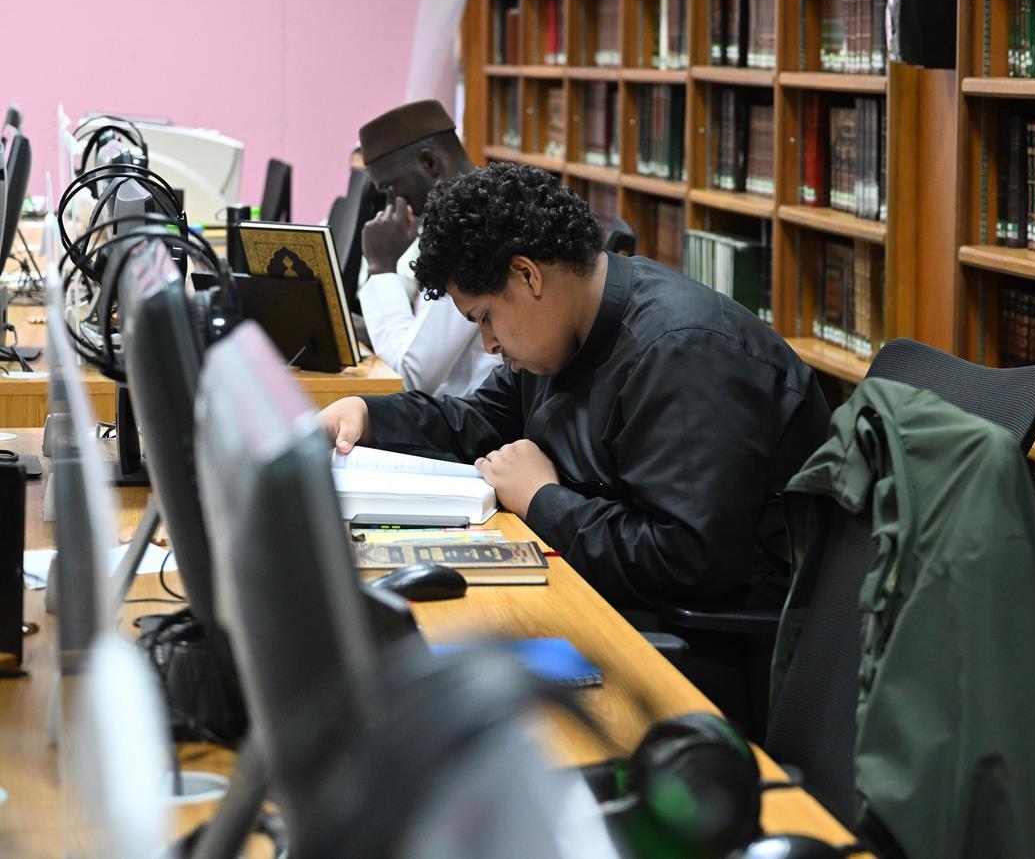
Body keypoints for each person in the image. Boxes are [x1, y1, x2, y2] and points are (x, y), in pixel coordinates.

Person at [318, 163, 829, 613]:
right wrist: (368, 414)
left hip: (704, 646)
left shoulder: (685, 353)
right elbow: (478, 423)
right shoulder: (559, 337)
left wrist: (542, 498)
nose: (490, 342)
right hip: (607, 590)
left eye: (486, 318)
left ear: (527, 276)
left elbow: (688, 561)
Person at [355, 100, 498, 396]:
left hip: (470, 426)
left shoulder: (475, 228)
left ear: (429, 163)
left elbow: (408, 377)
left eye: (389, 188)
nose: (391, 202)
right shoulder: (470, 209)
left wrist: (380, 267)